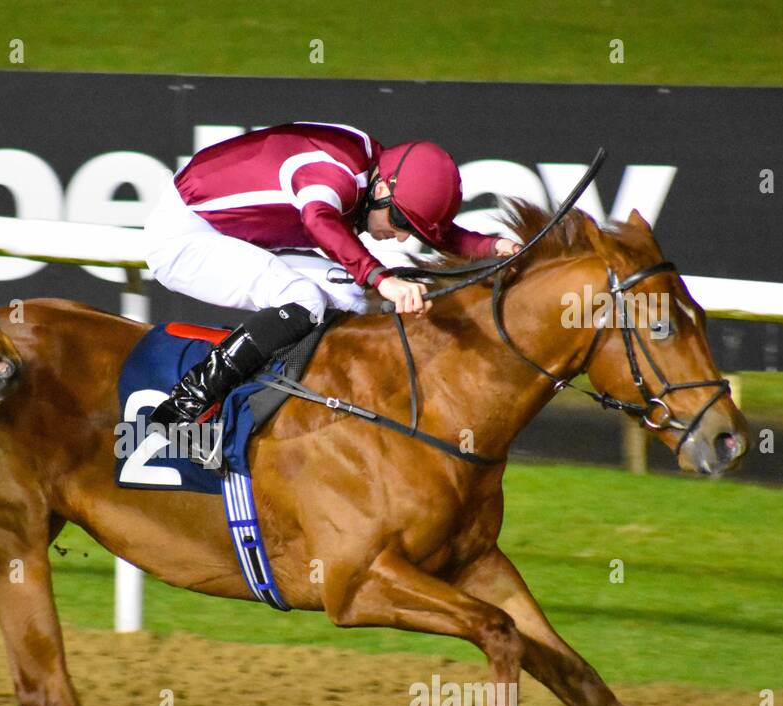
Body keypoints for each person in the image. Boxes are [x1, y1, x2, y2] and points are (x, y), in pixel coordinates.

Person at [143, 122, 521, 456]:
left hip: (231, 228)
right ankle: (179, 412)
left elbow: (438, 230)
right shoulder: (334, 173)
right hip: (184, 236)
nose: (403, 237)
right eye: (401, 221)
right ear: (383, 187)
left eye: (411, 230)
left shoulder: (376, 169)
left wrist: (492, 247)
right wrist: (381, 277)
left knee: (355, 298)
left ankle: (328, 419)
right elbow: (319, 221)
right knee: (304, 299)